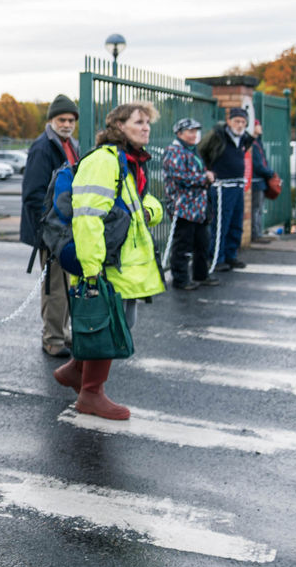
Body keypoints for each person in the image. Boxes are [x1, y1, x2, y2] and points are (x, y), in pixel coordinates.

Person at [53, 101, 165, 420]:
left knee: (118, 322)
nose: (146, 127)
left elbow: (144, 201)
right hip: (106, 260)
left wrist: (149, 212)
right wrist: (92, 269)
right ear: (118, 126)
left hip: (122, 258)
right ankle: (91, 394)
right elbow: (87, 216)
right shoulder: (105, 160)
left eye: (147, 122)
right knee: (109, 325)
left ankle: (75, 371)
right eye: (138, 122)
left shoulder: (132, 161)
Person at [21, 93, 80, 357]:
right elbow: (33, 194)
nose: (67, 124)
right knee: (54, 288)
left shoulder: (71, 145)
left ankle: (63, 332)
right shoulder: (43, 147)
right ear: (51, 120)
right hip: (51, 231)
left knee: (66, 286)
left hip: (67, 229)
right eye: (61, 119)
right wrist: (49, 229)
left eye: (71, 120)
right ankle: (52, 339)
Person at [162, 117, 219, 290]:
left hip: (199, 207)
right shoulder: (174, 152)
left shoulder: (192, 150)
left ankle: (201, 275)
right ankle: (180, 279)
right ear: (179, 133)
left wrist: (208, 176)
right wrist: (204, 178)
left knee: (203, 242)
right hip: (183, 208)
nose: (194, 135)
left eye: (196, 131)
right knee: (183, 245)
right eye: (190, 131)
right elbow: (180, 177)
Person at [199, 107, 253, 272]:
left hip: (237, 186)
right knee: (221, 224)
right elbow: (201, 151)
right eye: (237, 121)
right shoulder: (218, 136)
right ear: (229, 121)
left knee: (236, 223)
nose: (240, 125)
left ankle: (231, 255)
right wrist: (208, 171)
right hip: (222, 187)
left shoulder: (243, 138)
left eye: (243, 122)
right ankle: (217, 257)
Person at [249, 119, 275, 243]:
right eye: (258, 125)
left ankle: (258, 231)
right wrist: (269, 173)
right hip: (256, 181)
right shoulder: (253, 145)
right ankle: (256, 234)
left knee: (259, 209)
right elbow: (258, 165)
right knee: (256, 209)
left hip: (261, 181)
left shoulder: (258, 143)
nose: (260, 127)